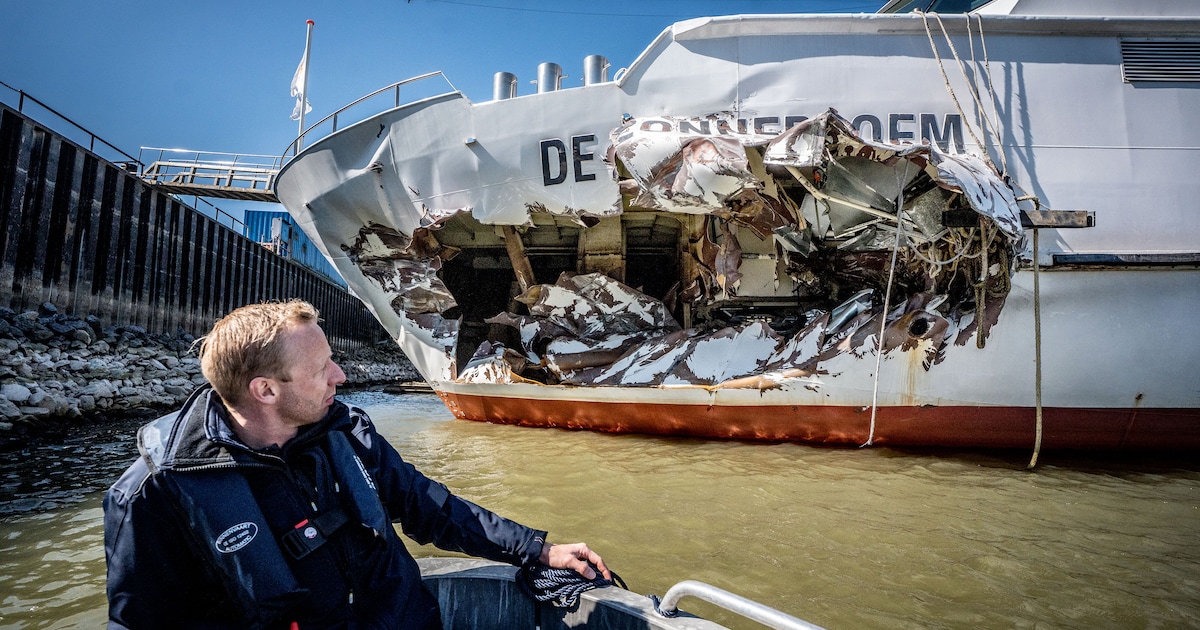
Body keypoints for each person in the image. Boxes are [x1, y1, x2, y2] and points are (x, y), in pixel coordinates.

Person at [103, 300, 610, 629]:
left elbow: (426, 505)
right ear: (265, 390)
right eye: (322, 368)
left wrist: (536, 549)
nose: (340, 376)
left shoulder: (346, 432)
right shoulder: (154, 495)